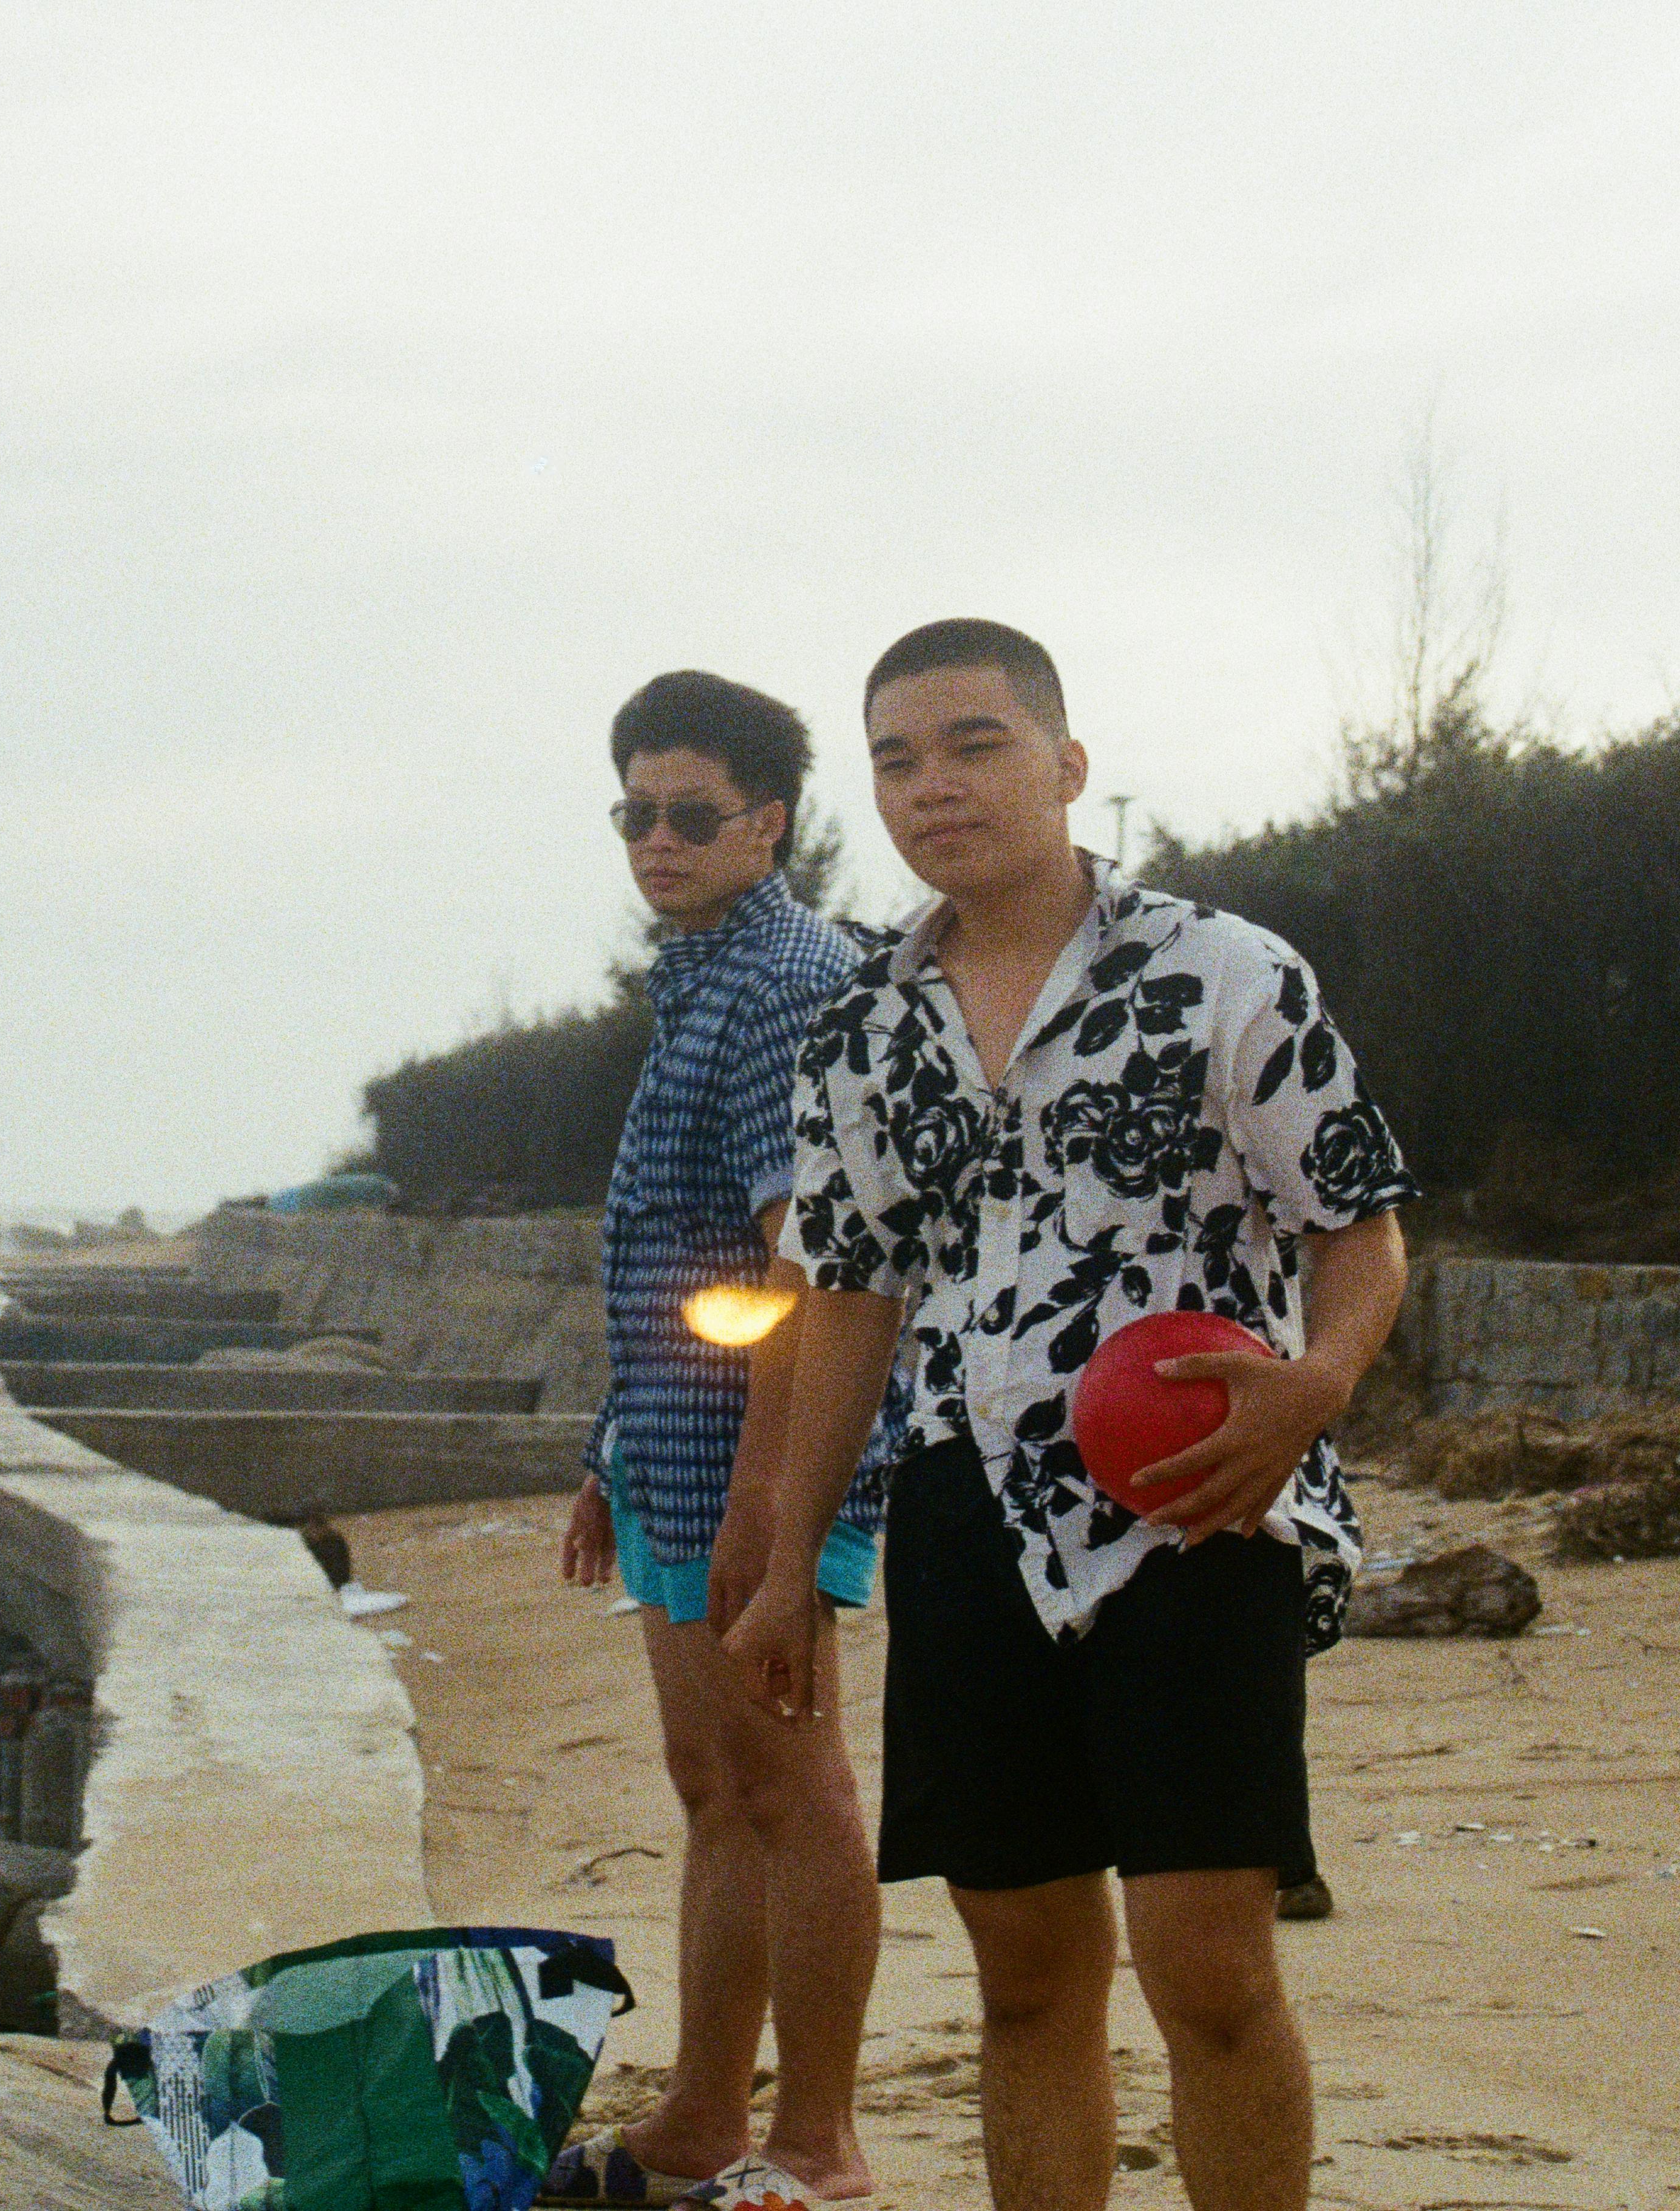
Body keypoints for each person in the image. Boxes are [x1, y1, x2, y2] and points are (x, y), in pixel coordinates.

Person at [724, 619, 1421, 2211]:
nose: (932, 784)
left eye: (974, 743)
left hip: (1194, 1495)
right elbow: (849, 1295)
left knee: (1209, 1966)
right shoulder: (859, 1029)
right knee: (1026, 1974)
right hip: (963, 1509)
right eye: (896, 758)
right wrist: (788, 1556)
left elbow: (1359, 1221)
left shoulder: (1223, 970)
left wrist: (1315, 1387)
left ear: (1066, 763)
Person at [547, 669, 890, 2210]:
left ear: (771, 822)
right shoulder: (702, 973)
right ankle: (701, 2112)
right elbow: (671, 1256)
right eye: (634, 812)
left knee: (792, 1786)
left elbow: (801, 1260)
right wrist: (612, 1452)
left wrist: (772, 1501)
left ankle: (818, 2141)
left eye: (692, 812)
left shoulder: (784, 983)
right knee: (714, 1781)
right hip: (679, 1453)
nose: (658, 840)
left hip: (763, 1461)